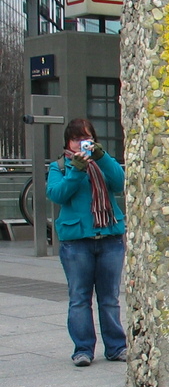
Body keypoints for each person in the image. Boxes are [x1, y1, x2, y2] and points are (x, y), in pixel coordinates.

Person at [46, 118, 128, 366]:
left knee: (110, 298)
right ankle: (83, 349)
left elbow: (120, 182)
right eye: (76, 138)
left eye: (87, 137)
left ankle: (116, 347)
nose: (82, 143)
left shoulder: (102, 162)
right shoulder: (59, 167)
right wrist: (76, 170)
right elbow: (57, 194)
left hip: (110, 239)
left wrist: (102, 158)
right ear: (67, 142)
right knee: (80, 297)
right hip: (77, 242)